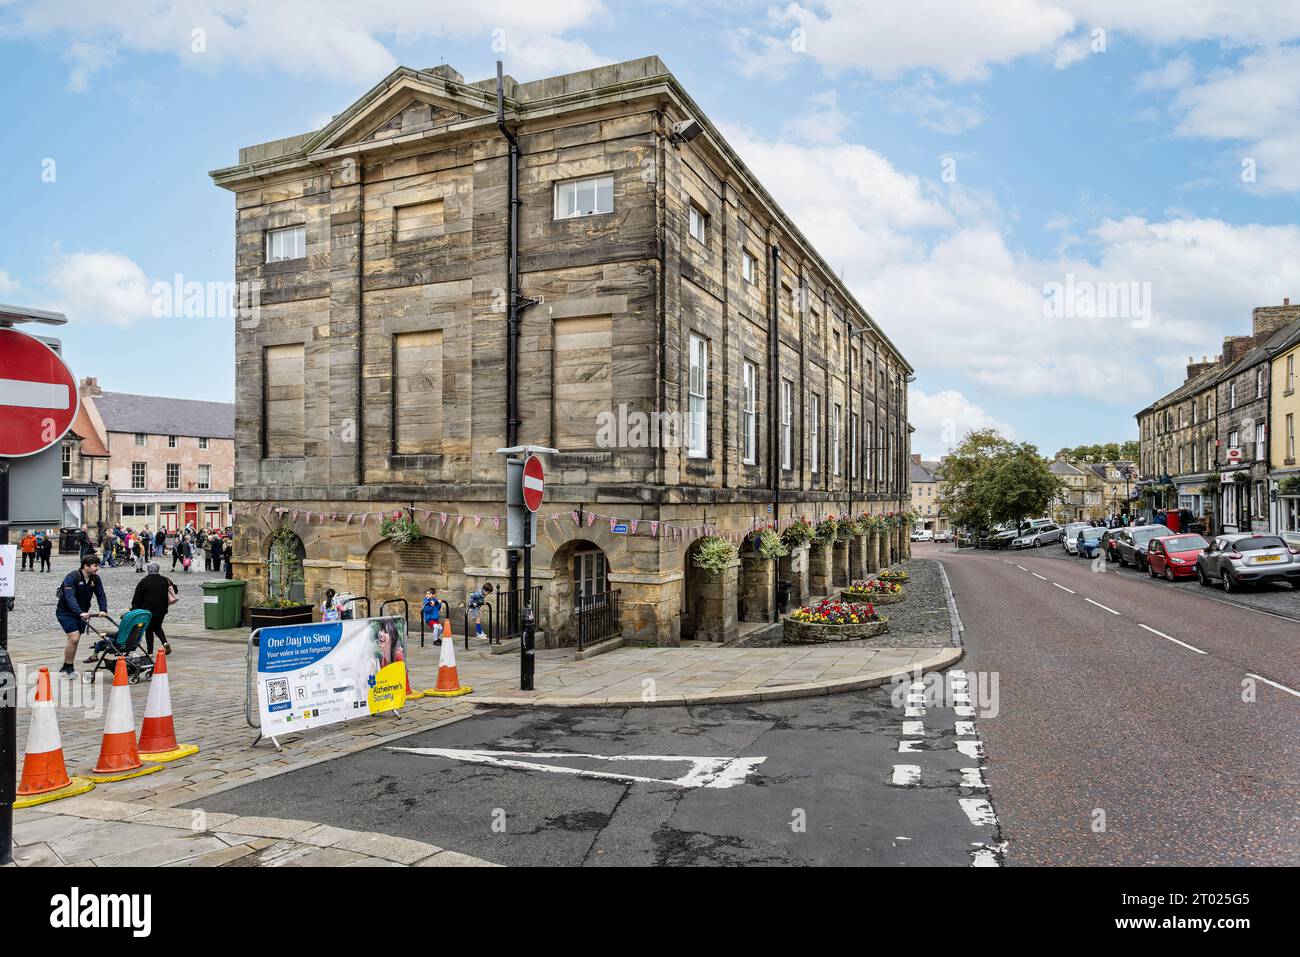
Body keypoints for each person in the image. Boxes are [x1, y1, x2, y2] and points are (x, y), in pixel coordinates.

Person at [57, 553, 108, 676]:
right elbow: (69, 597)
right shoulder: (72, 577)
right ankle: (69, 667)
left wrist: (103, 609)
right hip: (66, 612)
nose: (97, 568)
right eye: (95, 566)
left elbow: (101, 594)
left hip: (83, 613)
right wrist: (79, 612)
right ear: (86, 566)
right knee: (74, 638)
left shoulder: (95, 578)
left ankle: (66, 665)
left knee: (74, 641)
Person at [131, 562, 175, 656]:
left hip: (147, 610)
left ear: (148, 570)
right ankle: (165, 643)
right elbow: (175, 589)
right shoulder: (165, 580)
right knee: (158, 627)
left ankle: (150, 652)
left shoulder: (143, 582)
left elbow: (136, 598)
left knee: (149, 630)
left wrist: (134, 609)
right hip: (162, 609)